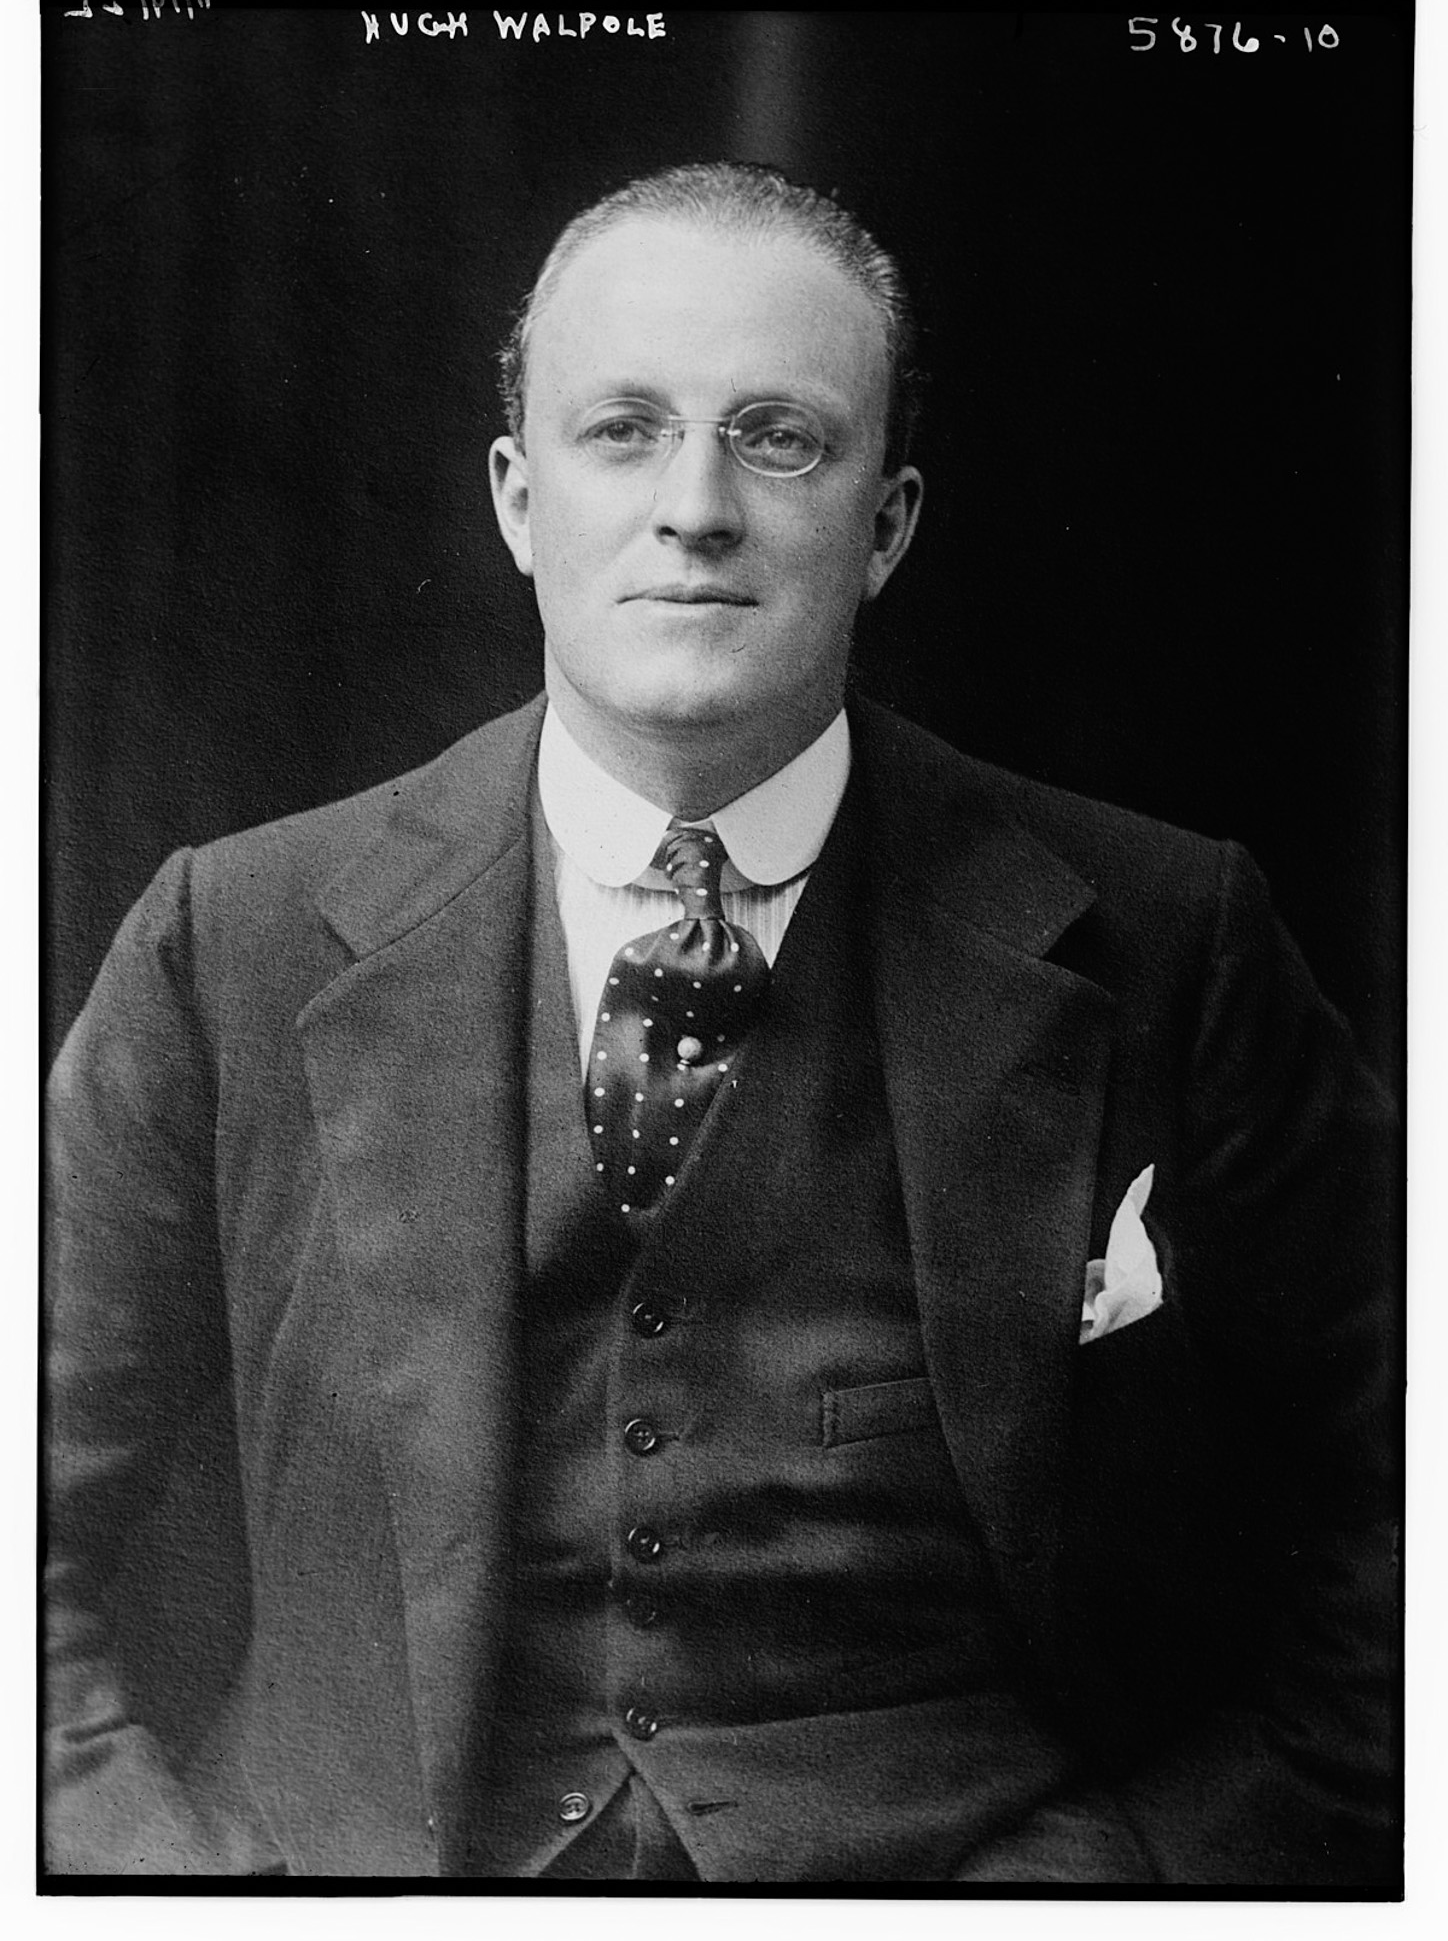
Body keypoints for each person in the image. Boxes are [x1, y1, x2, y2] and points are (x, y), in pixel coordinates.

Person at [45, 162, 1398, 1884]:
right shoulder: (227, 941)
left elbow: (1406, 1512)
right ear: (519, 501)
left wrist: (1148, 1888)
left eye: (778, 439)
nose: (696, 508)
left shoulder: (1168, 939)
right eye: (623, 432)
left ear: (887, 523)